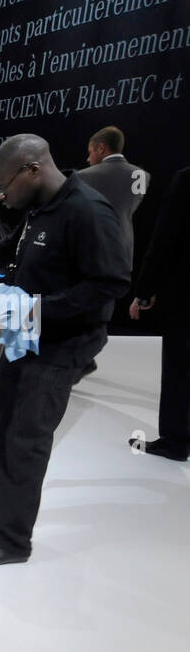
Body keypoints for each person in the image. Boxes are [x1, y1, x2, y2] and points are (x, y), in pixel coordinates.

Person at [0, 133, 129, 565]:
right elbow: (9, 246)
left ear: (33, 170)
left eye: (4, 187)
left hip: (60, 345)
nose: (2, 197)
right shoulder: (40, 207)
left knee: (28, 436)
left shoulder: (88, 212)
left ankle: (12, 539)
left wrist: (38, 308)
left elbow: (110, 284)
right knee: (4, 421)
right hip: (24, 336)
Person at [128, 167, 190, 462]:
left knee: (180, 366)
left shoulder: (186, 179)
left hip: (185, 294)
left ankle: (175, 441)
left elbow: (164, 237)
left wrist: (145, 289)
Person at [75, 126, 146, 272]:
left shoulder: (83, 176)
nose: (88, 159)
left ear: (101, 148)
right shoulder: (141, 175)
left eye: (90, 152)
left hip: (92, 256)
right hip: (124, 256)